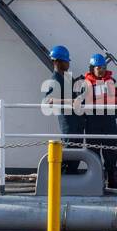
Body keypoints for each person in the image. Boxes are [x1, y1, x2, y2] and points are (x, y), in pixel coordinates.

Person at [83, 53, 117, 188]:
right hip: (92, 122)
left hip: (108, 121)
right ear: (92, 68)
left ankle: (111, 180)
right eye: (98, 67)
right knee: (93, 151)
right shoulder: (85, 83)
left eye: (103, 67)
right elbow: (81, 103)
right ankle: (96, 181)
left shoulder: (112, 82)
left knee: (110, 151)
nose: (101, 70)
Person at [45, 44, 84, 173]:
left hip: (76, 121)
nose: (68, 63)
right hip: (68, 122)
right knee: (69, 148)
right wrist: (70, 101)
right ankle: (62, 176)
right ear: (57, 62)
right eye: (66, 61)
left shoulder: (67, 77)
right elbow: (49, 100)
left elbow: (72, 91)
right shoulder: (55, 79)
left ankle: (71, 173)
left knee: (77, 148)